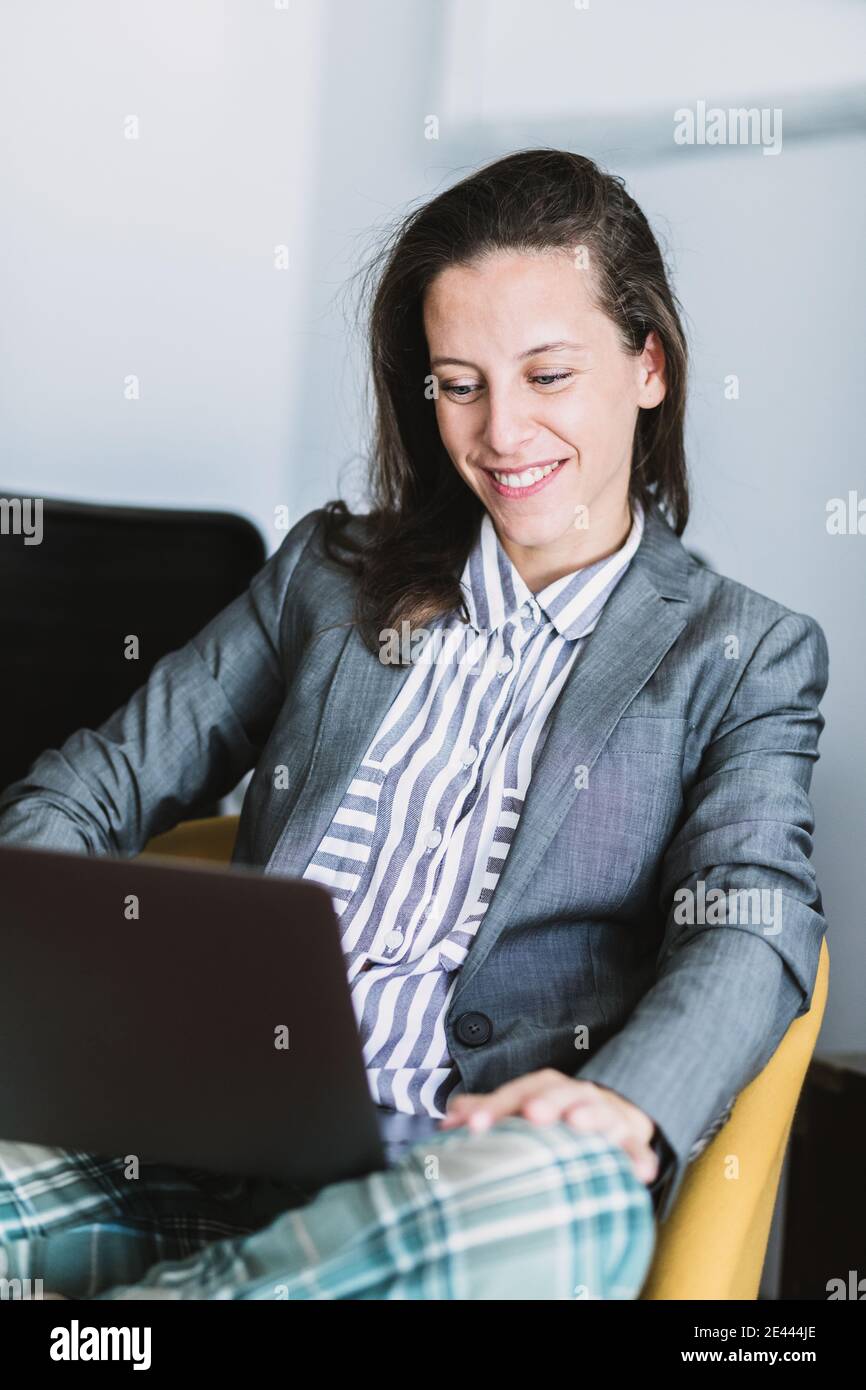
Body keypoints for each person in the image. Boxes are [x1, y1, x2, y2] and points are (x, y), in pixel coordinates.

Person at [0, 148, 828, 1300]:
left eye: (546, 374)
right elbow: (89, 787)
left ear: (647, 364)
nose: (499, 432)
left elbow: (752, 920)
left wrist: (621, 1107)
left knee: (567, 1205)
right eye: (458, 382)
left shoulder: (741, 654)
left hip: (465, 1179)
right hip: (197, 1140)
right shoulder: (327, 579)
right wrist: (54, 993)